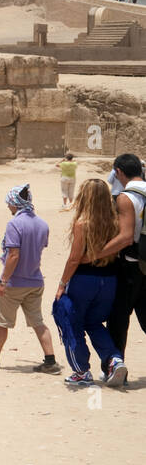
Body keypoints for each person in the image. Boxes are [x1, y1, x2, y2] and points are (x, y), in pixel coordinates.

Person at [0, 185, 60, 373]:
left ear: (15, 203)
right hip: (35, 280)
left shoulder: (14, 224)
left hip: (14, 282)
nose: (8, 207)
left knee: (2, 322)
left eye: (9, 204)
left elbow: (13, 255)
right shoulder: (43, 224)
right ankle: (50, 360)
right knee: (38, 322)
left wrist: (3, 281)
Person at [53, 178, 127, 386]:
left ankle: (81, 371)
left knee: (72, 323)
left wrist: (61, 283)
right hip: (109, 280)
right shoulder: (115, 223)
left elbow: (75, 258)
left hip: (84, 280)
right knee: (94, 323)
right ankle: (114, 359)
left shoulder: (83, 223)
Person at [104, 153, 146, 375]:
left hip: (130, 267)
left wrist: (95, 254)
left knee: (119, 318)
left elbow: (126, 237)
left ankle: (114, 366)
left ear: (119, 172)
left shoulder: (125, 197)